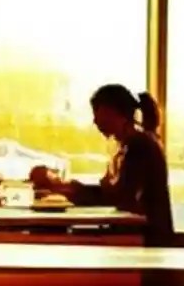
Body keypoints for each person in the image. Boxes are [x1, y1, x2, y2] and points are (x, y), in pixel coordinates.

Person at [31, 84, 174, 246]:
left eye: (97, 112)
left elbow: (122, 199)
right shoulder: (124, 145)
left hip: (146, 238)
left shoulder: (140, 146)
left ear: (112, 112)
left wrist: (75, 191)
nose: (95, 120)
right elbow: (113, 194)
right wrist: (70, 189)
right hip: (133, 232)